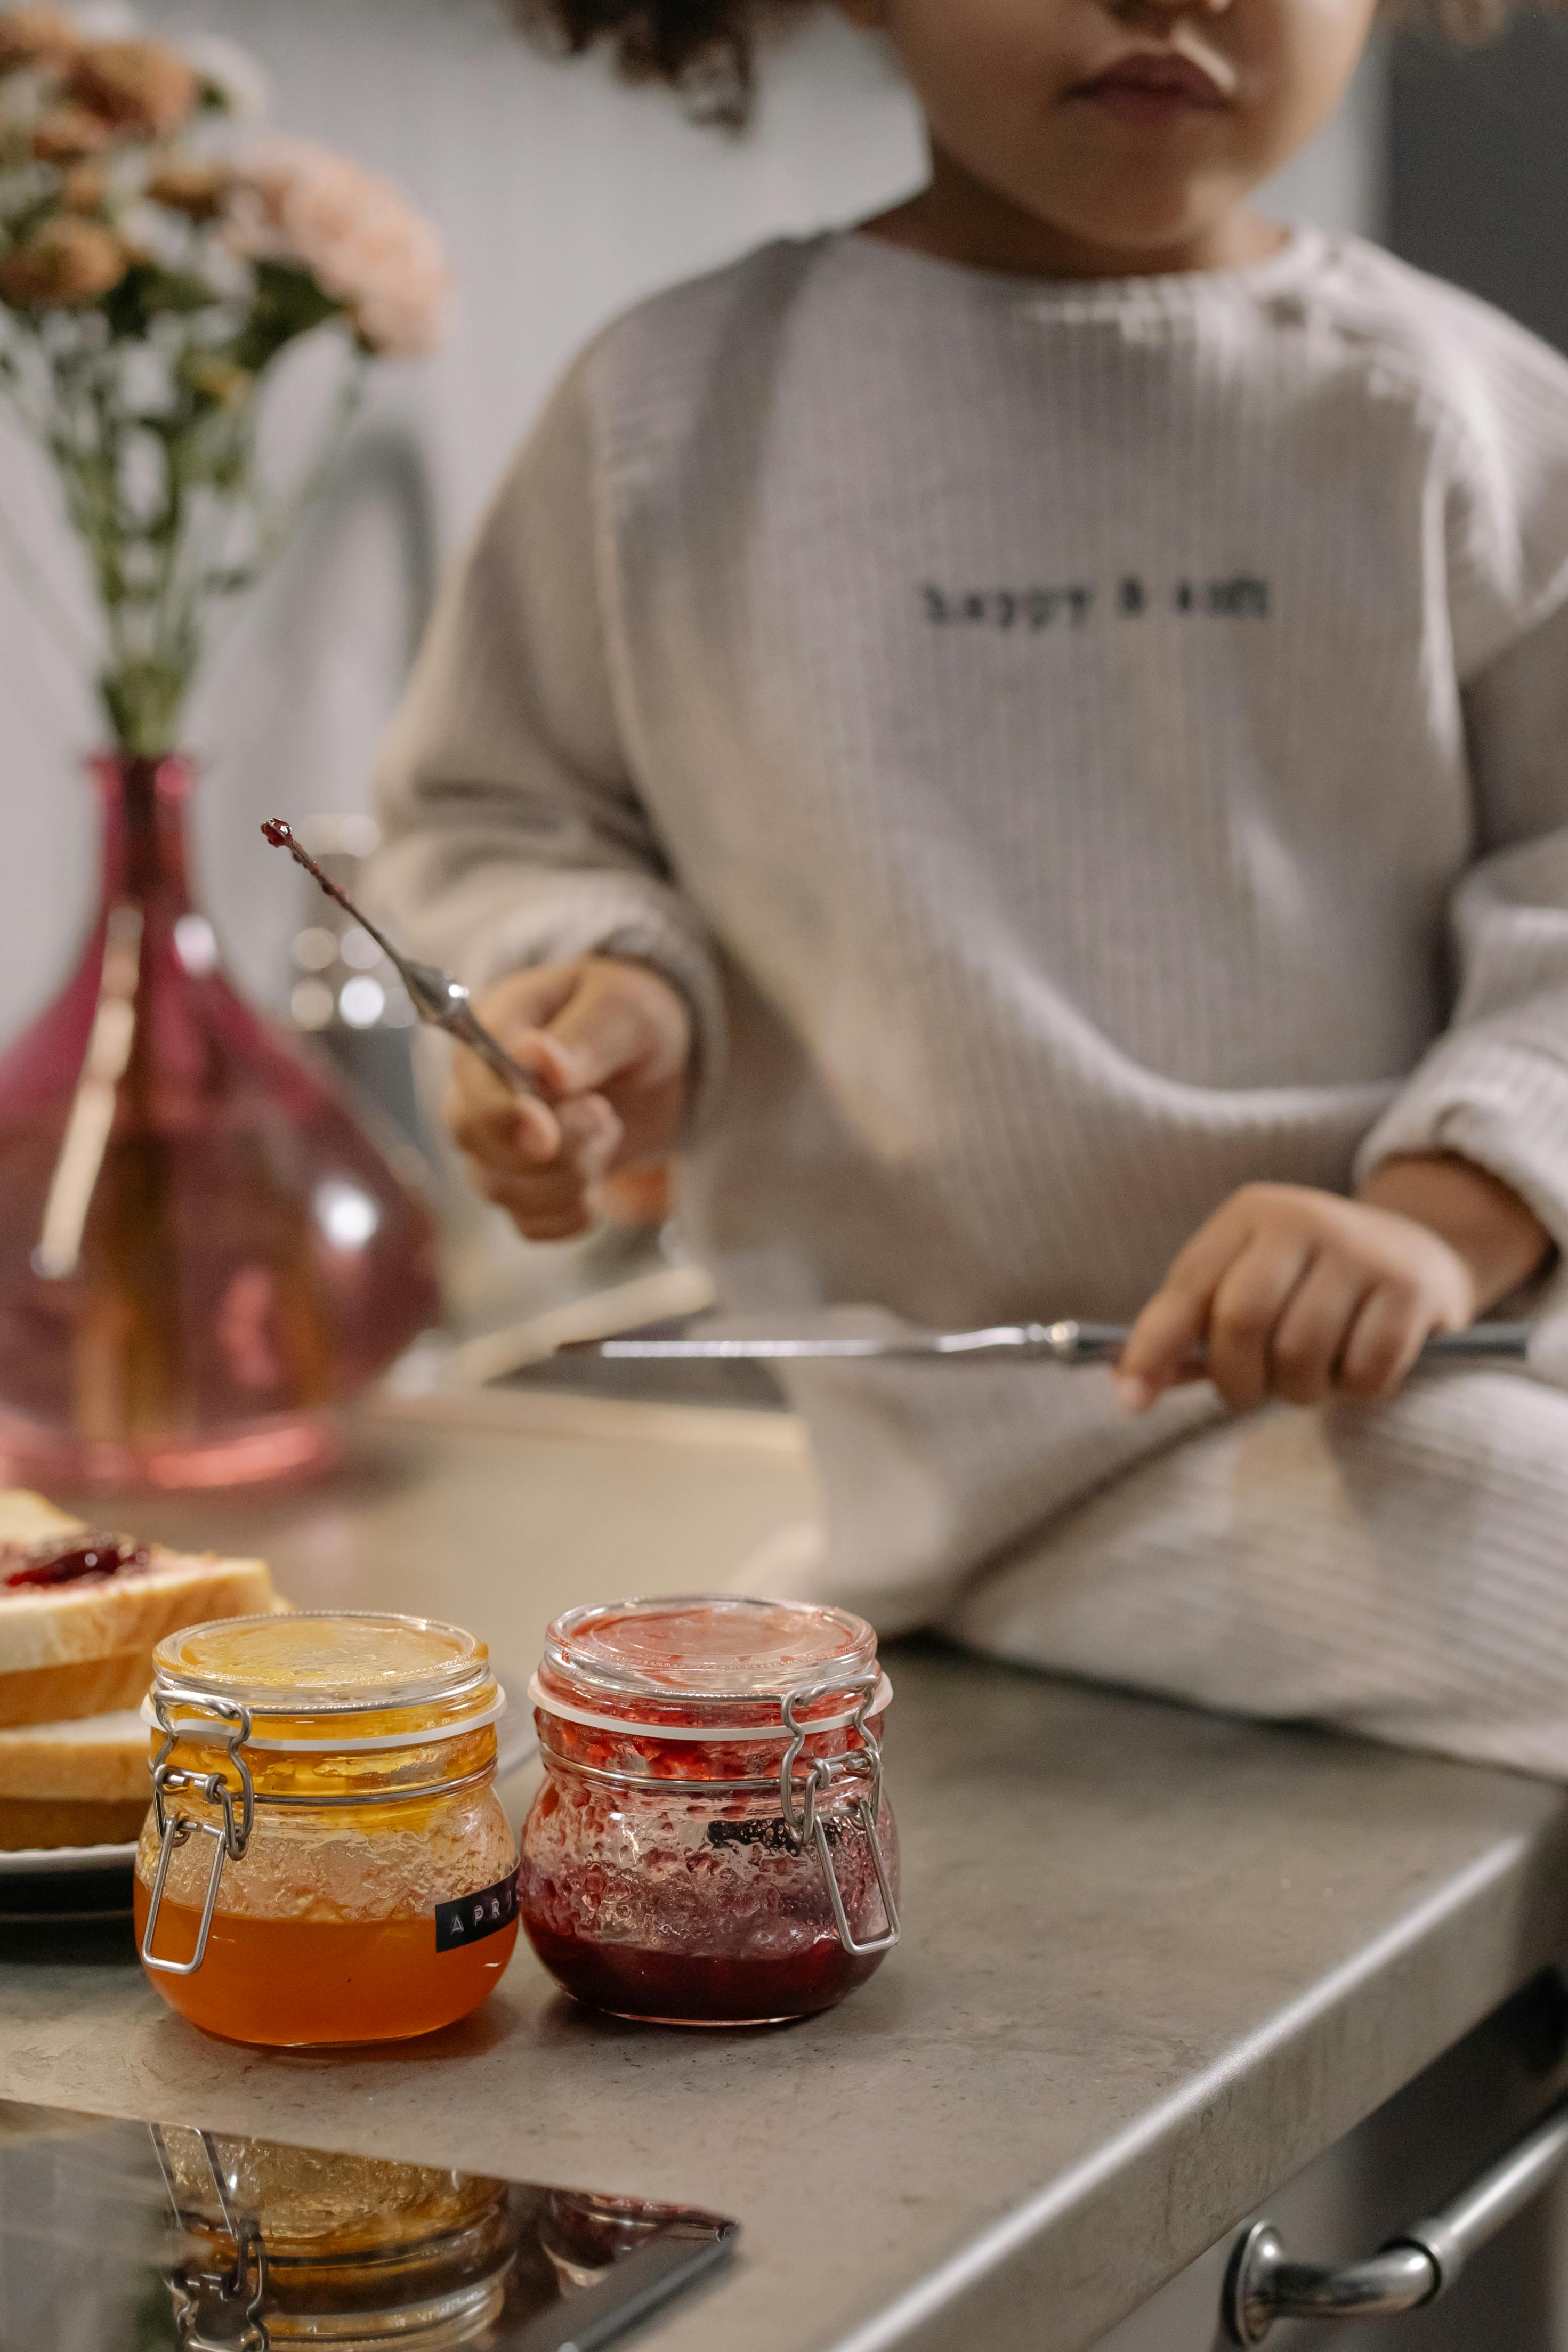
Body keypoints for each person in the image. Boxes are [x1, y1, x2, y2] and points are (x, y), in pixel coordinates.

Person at [374, 0, 1568, 1777]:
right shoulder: (674, 420)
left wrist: (1439, 1218)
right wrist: (602, 995)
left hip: (1449, 1376)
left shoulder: (1467, 417)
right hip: (1014, 1460)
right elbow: (506, 821)